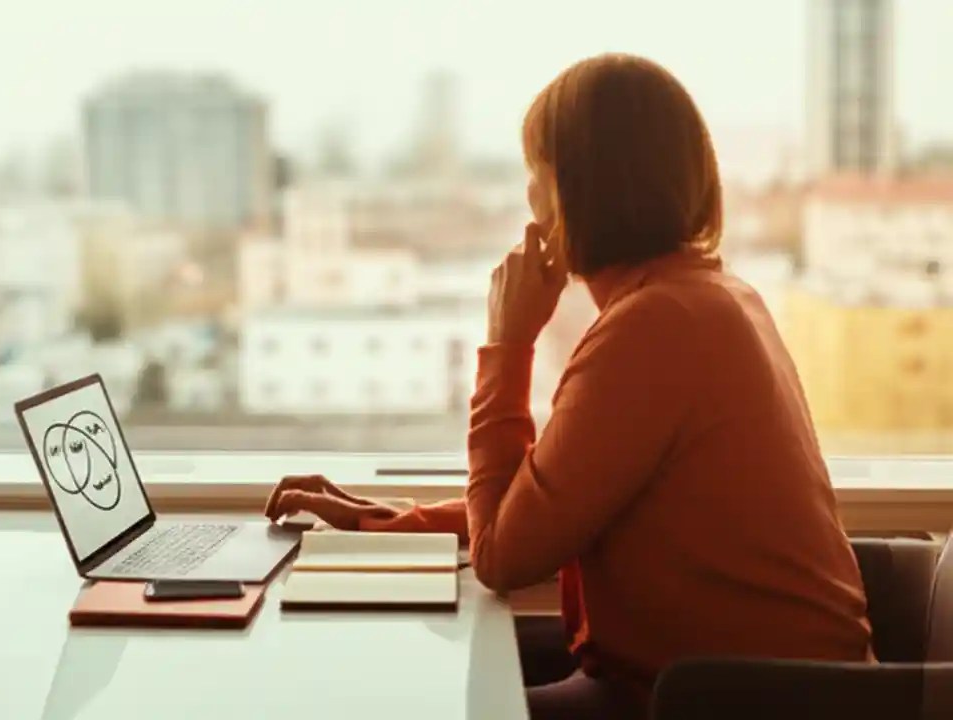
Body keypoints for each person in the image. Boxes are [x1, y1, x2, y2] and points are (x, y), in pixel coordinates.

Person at [264, 54, 873, 720]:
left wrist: (509, 343)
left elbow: (502, 554)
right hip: (756, 690)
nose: (527, 198)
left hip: (734, 703)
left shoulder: (655, 327)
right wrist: (389, 523)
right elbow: (556, 500)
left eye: (537, 173)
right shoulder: (711, 298)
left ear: (583, 191)